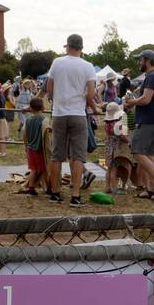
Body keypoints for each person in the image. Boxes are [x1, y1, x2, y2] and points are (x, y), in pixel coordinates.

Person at [44, 33, 98, 207]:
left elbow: (49, 88)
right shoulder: (88, 66)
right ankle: (75, 195)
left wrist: (57, 99)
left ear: (67, 46)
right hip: (78, 113)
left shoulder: (57, 63)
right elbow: (91, 94)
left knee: (57, 155)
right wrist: (95, 108)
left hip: (59, 113)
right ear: (81, 48)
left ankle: (55, 193)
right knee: (78, 156)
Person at [122, 49, 154, 200]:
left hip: (148, 122)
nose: (139, 62)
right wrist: (133, 103)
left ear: (147, 60)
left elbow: (146, 99)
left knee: (136, 151)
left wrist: (131, 102)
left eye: (140, 60)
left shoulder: (152, 77)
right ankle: (151, 189)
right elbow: (145, 99)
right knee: (150, 154)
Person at [19, 96, 47, 197]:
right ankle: (42, 188)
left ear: (30, 108)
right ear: (42, 107)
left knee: (34, 169)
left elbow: (24, 133)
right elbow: (47, 135)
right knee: (42, 169)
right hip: (39, 149)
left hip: (30, 148)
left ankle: (33, 188)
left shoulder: (28, 120)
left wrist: (26, 145)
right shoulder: (44, 120)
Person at [103, 101, 134, 194]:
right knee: (114, 168)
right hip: (117, 146)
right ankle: (114, 188)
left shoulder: (107, 123)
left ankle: (107, 187)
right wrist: (128, 141)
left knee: (109, 168)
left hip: (109, 144)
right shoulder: (119, 122)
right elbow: (121, 135)